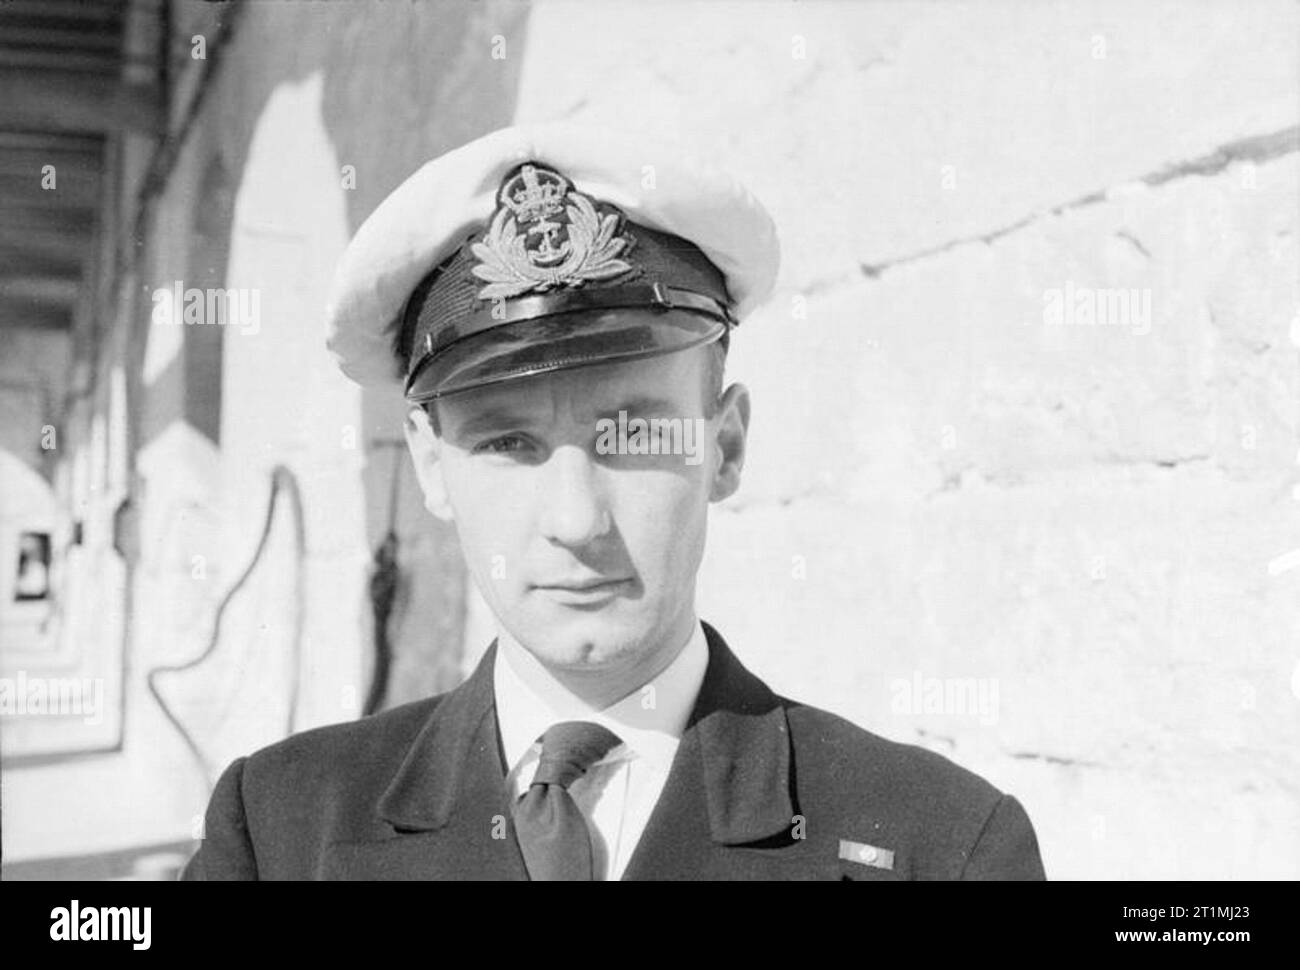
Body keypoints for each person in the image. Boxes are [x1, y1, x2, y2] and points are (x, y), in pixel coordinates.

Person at [182, 124, 1046, 880]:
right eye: (506, 443)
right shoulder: (282, 831)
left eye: (632, 434)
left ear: (727, 445)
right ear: (431, 466)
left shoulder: (944, 848)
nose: (575, 520)